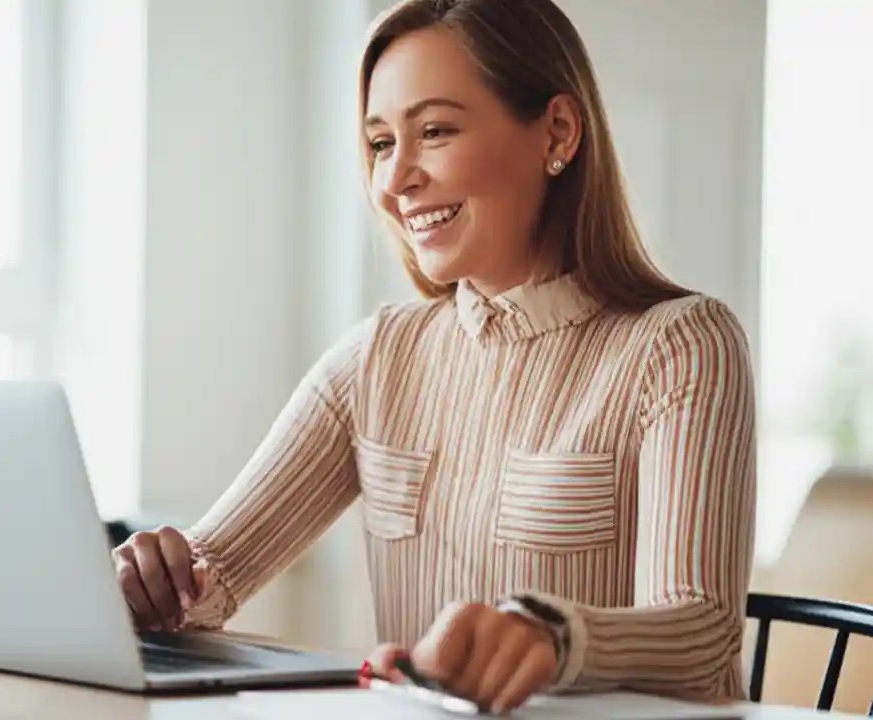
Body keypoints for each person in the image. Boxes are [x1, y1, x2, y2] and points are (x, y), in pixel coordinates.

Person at [112, 0, 756, 713]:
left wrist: (554, 637)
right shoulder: (376, 360)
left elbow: (703, 635)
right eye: (382, 143)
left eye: (435, 131)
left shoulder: (682, 344)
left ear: (559, 133)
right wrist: (152, 585)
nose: (395, 180)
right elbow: (209, 577)